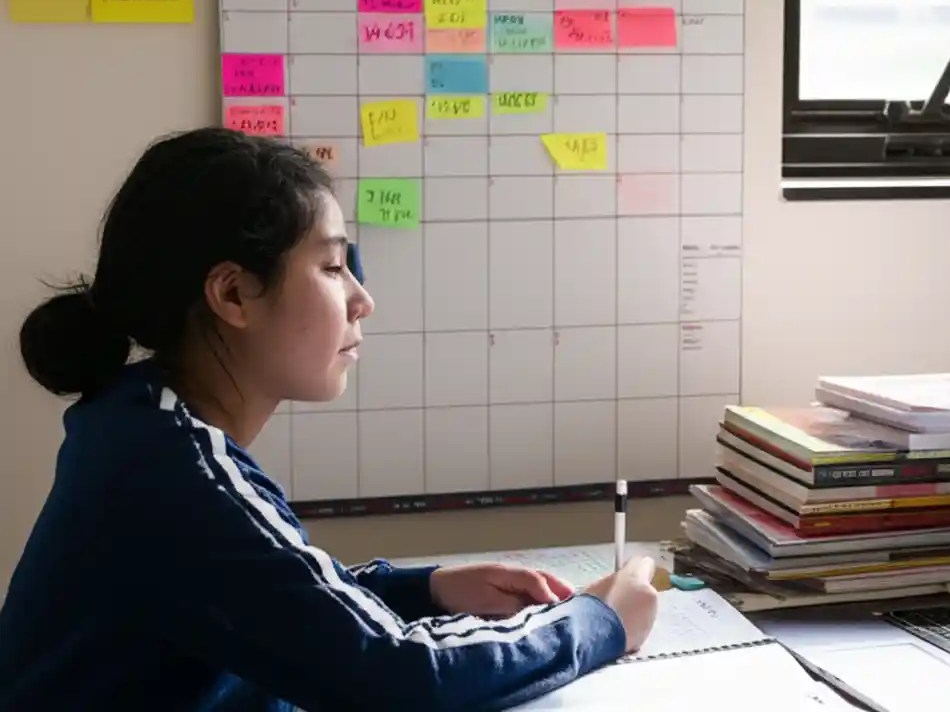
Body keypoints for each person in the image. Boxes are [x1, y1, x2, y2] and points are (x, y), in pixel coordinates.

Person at [0, 127, 659, 711]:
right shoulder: (174, 470)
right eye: (333, 266)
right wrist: (599, 620)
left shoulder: (139, 422)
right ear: (233, 294)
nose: (363, 301)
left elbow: (269, 596)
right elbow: (402, 678)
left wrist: (425, 590)